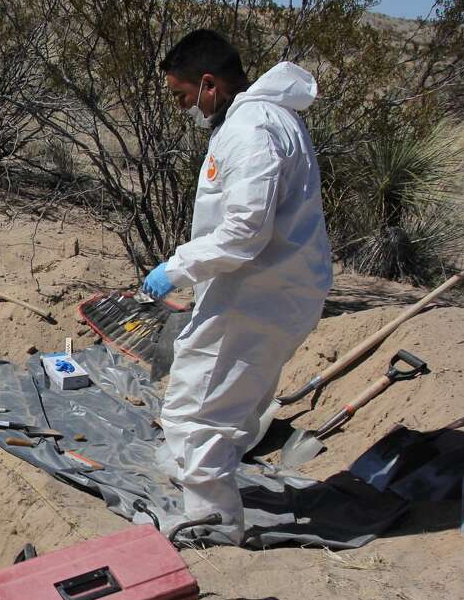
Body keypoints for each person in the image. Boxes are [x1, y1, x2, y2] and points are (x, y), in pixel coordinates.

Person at [141, 30, 333, 544]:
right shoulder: (267, 120)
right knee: (228, 399)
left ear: (209, 84)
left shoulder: (250, 129)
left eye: (183, 96)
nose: (184, 108)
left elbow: (245, 231)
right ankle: (201, 484)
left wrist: (177, 267)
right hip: (270, 288)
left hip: (260, 294)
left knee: (195, 408)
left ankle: (213, 523)